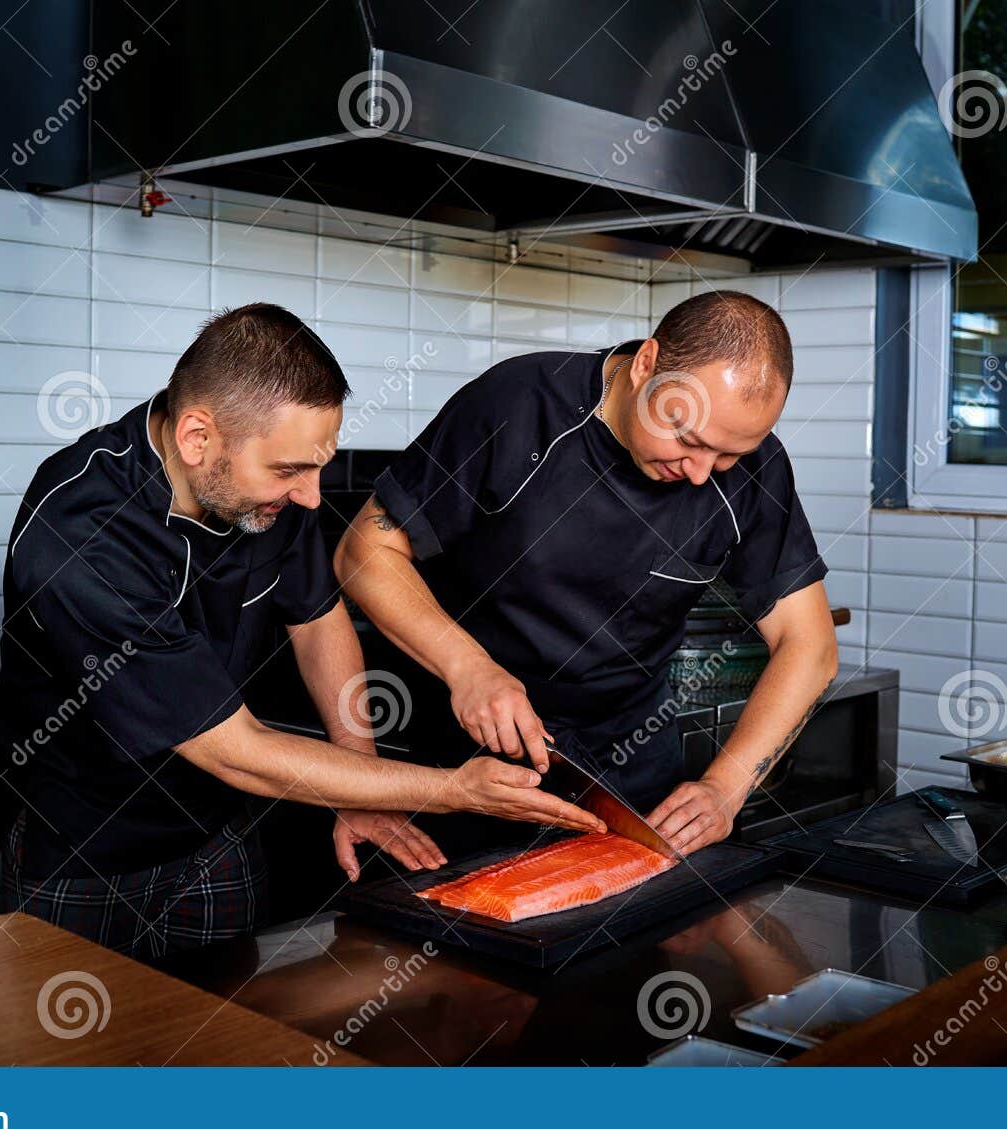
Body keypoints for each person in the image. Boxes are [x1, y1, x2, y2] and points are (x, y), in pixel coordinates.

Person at [0, 304, 601, 959]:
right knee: (76, 1053)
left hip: (216, 835)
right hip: (83, 849)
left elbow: (317, 620)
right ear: (199, 438)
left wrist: (360, 777)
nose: (312, 497)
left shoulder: (270, 490)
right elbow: (233, 746)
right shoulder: (80, 529)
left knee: (233, 1043)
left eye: (318, 466)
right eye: (290, 471)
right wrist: (453, 790)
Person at [336, 290, 839, 856]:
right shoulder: (518, 404)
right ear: (646, 363)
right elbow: (365, 551)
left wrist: (726, 787)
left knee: (628, 933)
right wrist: (468, 667)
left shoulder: (755, 470)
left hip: (631, 763)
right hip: (465, 752)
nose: (702, 474)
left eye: (726, 457)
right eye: (687, 438)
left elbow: (809, 643)